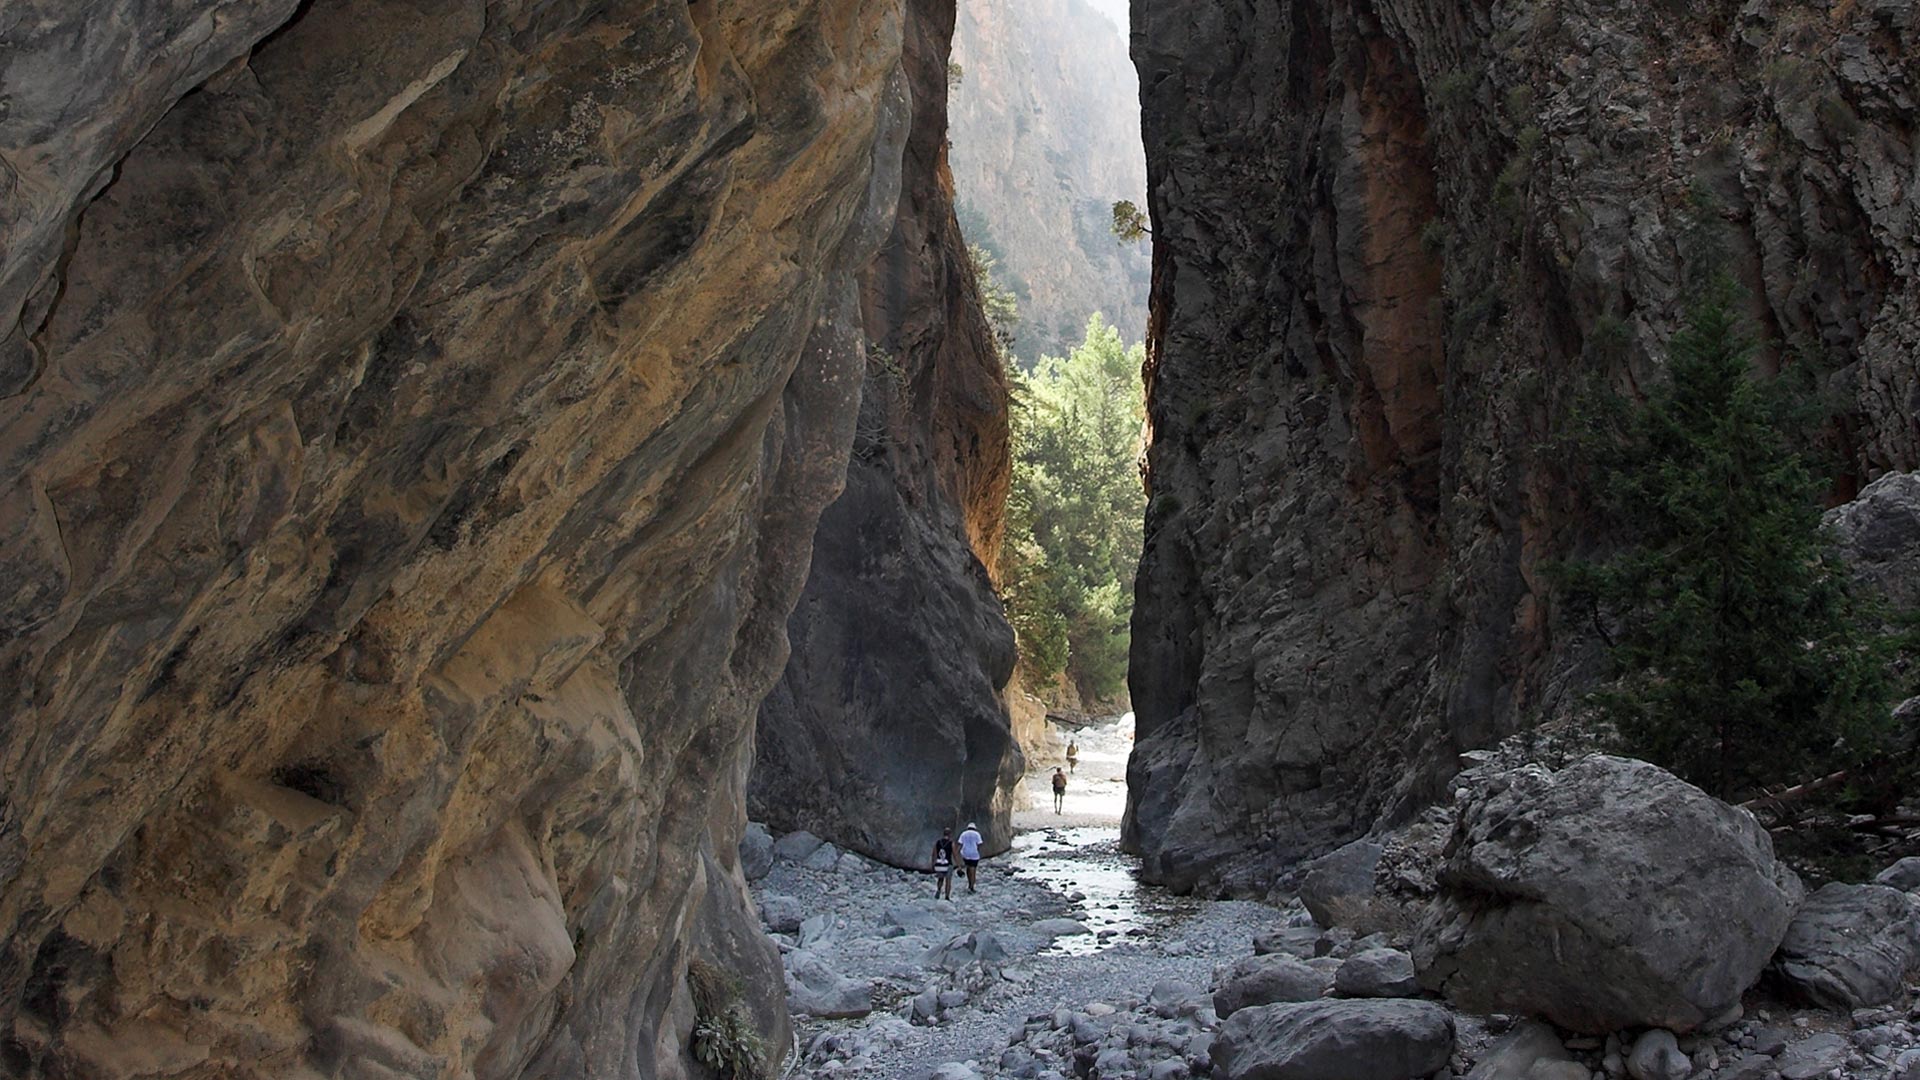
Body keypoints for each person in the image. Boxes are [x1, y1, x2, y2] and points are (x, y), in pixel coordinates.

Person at [957, 821, 985, 894]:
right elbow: (979, 844)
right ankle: (972, 886)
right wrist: (978, 851)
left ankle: (969, 883)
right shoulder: (977, 834)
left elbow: (960, 844)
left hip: (965, 853)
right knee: (973, 870)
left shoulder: (963, 834)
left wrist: (957, 852)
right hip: (974, 854)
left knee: (968, 868)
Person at [930, 827, 956, 899]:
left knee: (940, 879)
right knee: (948, 880)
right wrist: (958, 864)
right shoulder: (951, 843)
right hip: (948, 863)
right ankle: (947, 896)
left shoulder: (938, 842)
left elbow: (934, 853)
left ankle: (938, 890)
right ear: (950, 834)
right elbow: (954, 854)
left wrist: (933, 863)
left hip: (939, 864)